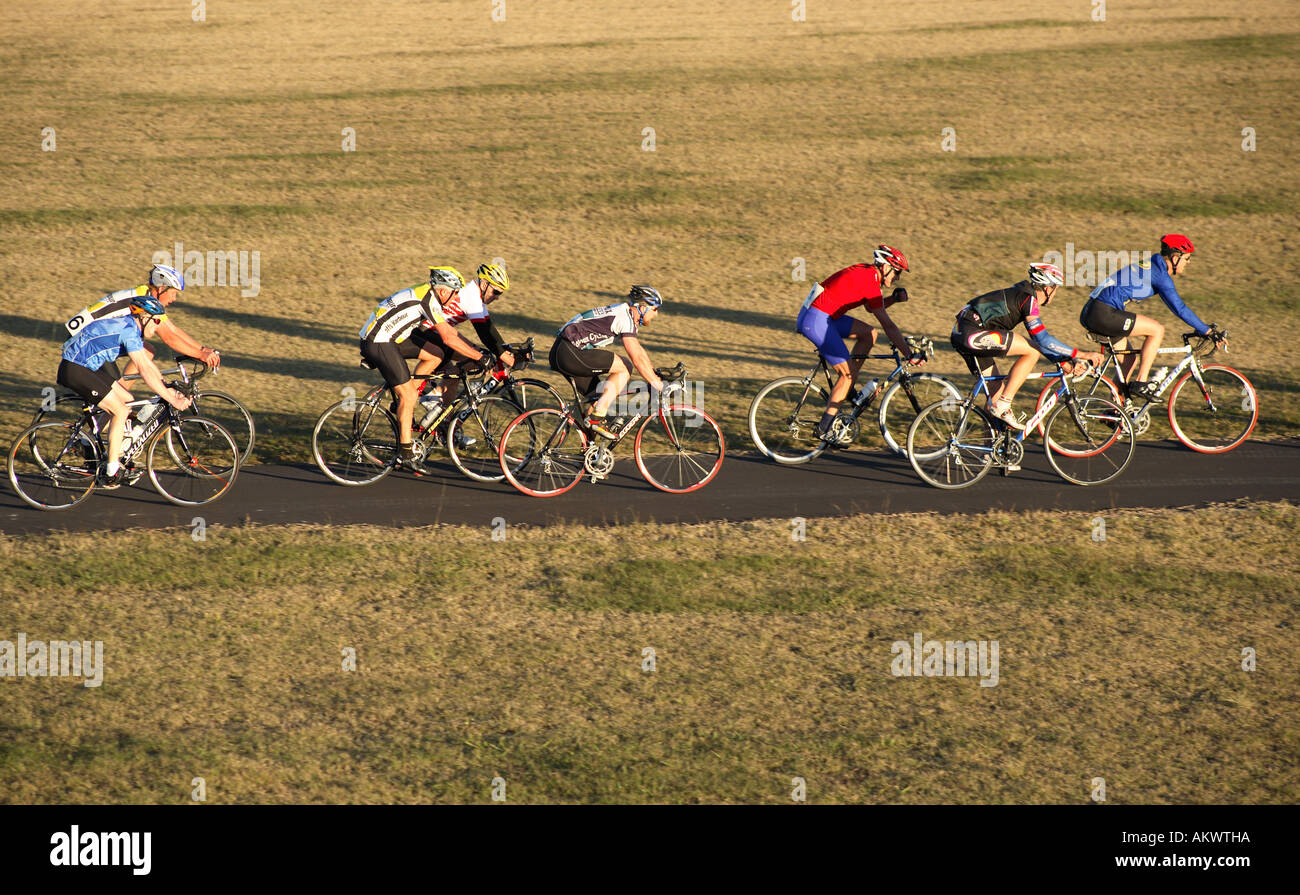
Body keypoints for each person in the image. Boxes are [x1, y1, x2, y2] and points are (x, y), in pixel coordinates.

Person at [358, 266, 486, 473]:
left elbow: (448, 335)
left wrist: (476, 351)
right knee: (408, 396)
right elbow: (449, 337)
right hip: (378, 341)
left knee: (435, 353)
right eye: (455, 294)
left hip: (393, 336)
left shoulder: (428, 294)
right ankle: (405, 453)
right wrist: (479, 357)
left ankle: (405, 401)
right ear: (444, 291)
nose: (455, 300)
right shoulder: (428, 300)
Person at [57, 292, 192, 487]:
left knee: (126, 399)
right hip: (75, 369)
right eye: (156, 321)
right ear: (144, 318)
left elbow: (147, 365)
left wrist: (167, 388)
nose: (158, 325)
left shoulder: (131, 328)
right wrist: (172, 399)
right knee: (119, 410)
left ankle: (89, 445)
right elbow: (144, 370)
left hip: (84, 367)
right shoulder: (129, 331)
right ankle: (111, 470)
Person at [794, 245, 926, 441]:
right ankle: (825, 428)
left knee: (869, 333)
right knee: (845, 375)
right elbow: (888, 326)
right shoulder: (869, 282)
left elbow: (870, 308)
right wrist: (908, 354)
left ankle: (849, 390)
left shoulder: (868, 274)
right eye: (896, 272)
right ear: (885, 266)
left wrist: (892, 299)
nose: (898, 277)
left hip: (822, 316)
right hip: (816, 320)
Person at [951, 262, 1103, 429]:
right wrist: (1080, 354)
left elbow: (1039, 339)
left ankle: (992, 449)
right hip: (972, 333)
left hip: (962, 334)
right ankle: (1004, 404)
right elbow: (1042, 339)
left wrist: (1063, 363)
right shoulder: (1028, 299)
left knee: (996, 391)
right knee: (1032, 352)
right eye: (1056, 288)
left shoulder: (1020, 293)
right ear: (1048, 288)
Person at [1079, 234, 1225, 399]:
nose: (1189, 262)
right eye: (1187, 258)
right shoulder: (1159, 274)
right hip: (1103, 312)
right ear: (1175, 257)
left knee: (1129, 360)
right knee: (1156, 330)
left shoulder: (1152, 265)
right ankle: (1141, 383)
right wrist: (1207, 331)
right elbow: (1179, 308)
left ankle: (1114, 411)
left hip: (1093, 310)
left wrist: (1202, 328)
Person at [550, 286, 665, 439]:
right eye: (655, 309)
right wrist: (656, 383)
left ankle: (588, 454)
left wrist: (653, 373)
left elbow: (639, 350)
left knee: (596, 398)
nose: (656, 314)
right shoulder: (625, 318)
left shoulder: (624, 312)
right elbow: (636, 357)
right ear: (643, 308)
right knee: (625, 367)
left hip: (564, 351)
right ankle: (596, 419)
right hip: (569, 352)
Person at [64, 265, 222, 372]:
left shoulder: (147, 296)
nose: (174, 298)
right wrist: (201, 355)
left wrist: (202, 349)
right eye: (173, 292)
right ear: (161, 288)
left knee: (147, 351)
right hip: (84, 340)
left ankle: (120, 402)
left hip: (91, 336)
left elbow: (173, 330)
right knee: (115, 395)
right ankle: (115, 407)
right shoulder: (143, 300)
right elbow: (169, 338)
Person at [412, 261, 515, 413]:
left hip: (435, 333)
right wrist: (503, 356)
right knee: (476, 359)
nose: (497, 297)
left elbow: (490, 329)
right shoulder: (471, 296)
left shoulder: (476, 297)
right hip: (427, 332)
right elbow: (484, 333)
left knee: (456, 375)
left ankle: (444, 424)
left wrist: (506, 349)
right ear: (484, 284)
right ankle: (435, 395)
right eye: (496, 292)